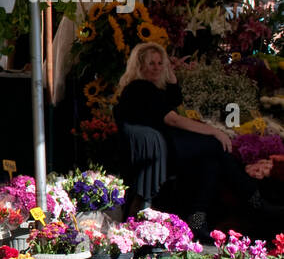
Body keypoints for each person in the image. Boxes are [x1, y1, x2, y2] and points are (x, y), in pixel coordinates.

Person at [113, 42, 275, 233]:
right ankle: (255, 201)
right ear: (139, 66)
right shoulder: (141, 87)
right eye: (151, 64)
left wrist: (170, 74)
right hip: (159, 149)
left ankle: (198, 221)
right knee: (215, 144)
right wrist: (215, 131)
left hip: (162, 147)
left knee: (211, 161)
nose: (157, 68)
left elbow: (174, 101)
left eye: (160, 63)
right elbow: (173, 119)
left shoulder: (149, 88)